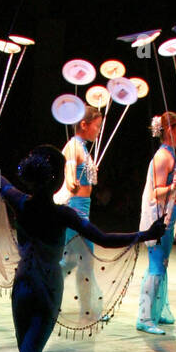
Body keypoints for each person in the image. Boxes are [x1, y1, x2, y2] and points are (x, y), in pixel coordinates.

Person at [0, 133, 166, 352]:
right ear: (55, 180)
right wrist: (146, 234)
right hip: (46, 286)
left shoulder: (19, 200)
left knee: (27, 350)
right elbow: (104, 238)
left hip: (22, 285)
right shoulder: (64, 214)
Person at [136, 111, 176, 335]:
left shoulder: (173, 156)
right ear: (169, 130)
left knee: (162, 265)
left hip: (168, 217)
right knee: (156, 267)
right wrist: (174, 187)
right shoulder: (163, 157)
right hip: (157, 218)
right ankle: (144, 317)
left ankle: (159, 309)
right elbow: (156, 193)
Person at [56, 104, 104, 316]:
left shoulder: (83, 147)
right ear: (83, 124)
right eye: (96, 126)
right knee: (76, 259)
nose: (98, 130)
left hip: (84, 207)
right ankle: (88, 306)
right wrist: (70, 181)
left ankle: (88, 306)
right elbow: (67, 169)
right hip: (75, 207)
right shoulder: (73, 145)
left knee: (74, 260)